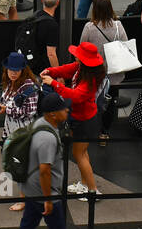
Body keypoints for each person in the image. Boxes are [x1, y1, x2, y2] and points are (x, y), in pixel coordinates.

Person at [8, 93, 87, 229]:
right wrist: (48, 199)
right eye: (63, 108)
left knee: (28, 224)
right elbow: (45, 170)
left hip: (31, 187)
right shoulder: (48, 139)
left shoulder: (40, 123)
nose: (67, 109)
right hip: (43, 191)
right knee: (57, 227)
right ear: (52, 114)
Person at [41, 41, 106, 191]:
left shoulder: (90, 80)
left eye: (78, 56)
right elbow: (65, 69)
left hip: (85, 121)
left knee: (79, 154)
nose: (75, 57)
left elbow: (74, 96)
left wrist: (54, 84)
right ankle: (84, 184)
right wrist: (51, 71)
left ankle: (92, 191)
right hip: (82, 118)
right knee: (82, 153)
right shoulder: (83, 69)